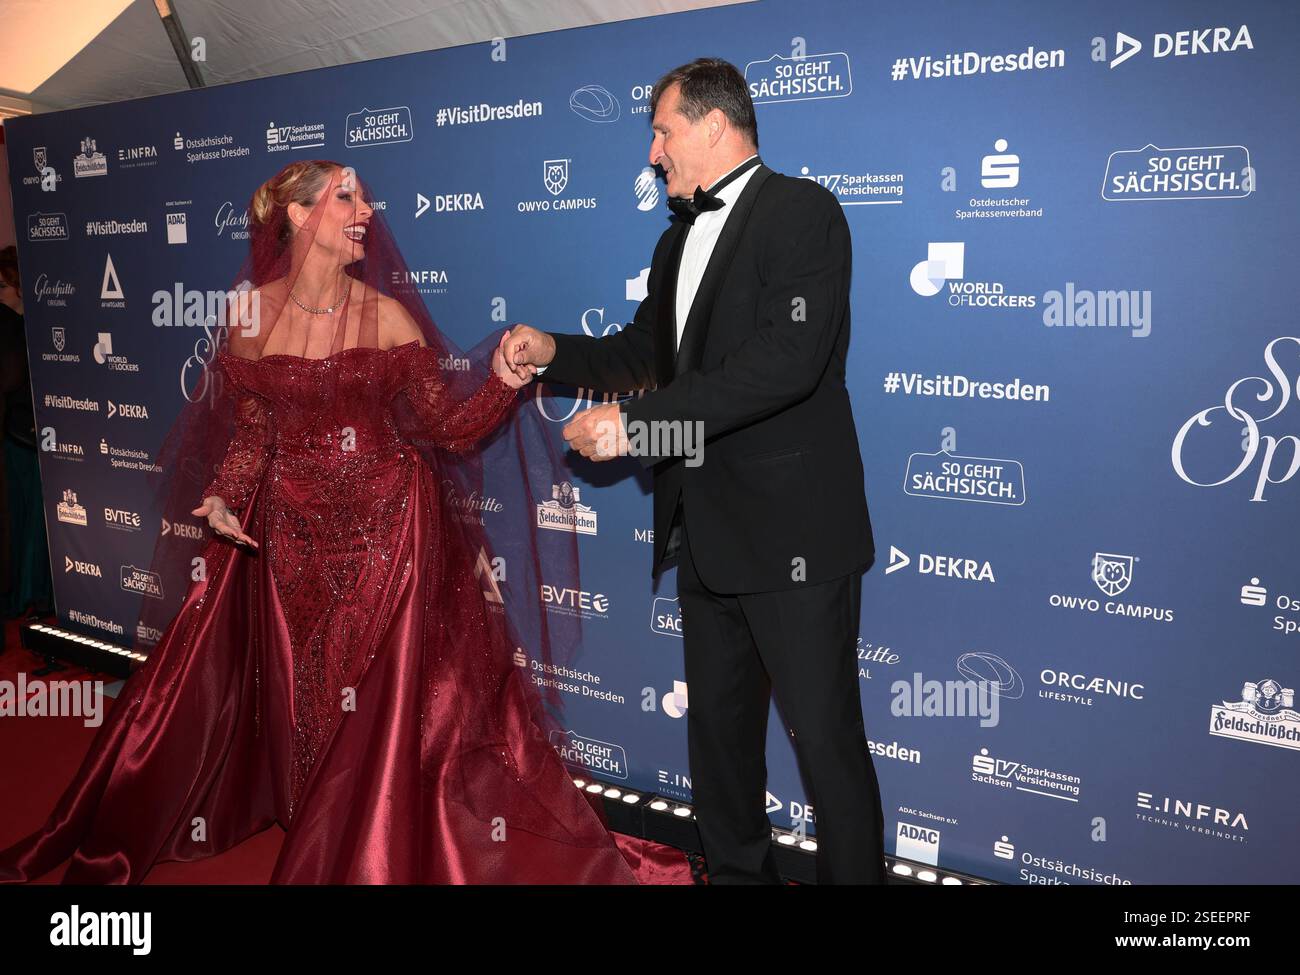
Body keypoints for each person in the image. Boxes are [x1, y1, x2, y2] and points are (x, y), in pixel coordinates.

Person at [0, 160, 640, 884]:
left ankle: (369, 840)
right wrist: (223, 497)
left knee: (377, 690)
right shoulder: (249, 315)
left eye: (366, 194)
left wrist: (501, 379)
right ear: (300, 216)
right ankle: (321, 814)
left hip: (390, 530)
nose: (365, 208)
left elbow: (450, 427)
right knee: (308, 685)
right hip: (293, 536)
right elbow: (250, 432)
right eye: (346, 197)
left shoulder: (388, 316)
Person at [504, 58, 886, 884]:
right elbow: (648, 352)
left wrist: (639, 422)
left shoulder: (803, 212)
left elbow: (785, 363)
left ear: (714, 126)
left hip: (795, 540)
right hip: (705, 534)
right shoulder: (676, 239)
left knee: (826, 746)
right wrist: (552, 353)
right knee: (718, 742)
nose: (652, 151)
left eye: (663, 130)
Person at [0, 245, 52, 619]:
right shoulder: (8, 330)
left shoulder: (41, 326)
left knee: (35, 523)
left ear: (19, 285)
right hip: (15, 438)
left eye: (3, 285)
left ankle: (32, 595)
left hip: (36, 439)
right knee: (17, 523)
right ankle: (19, 594)